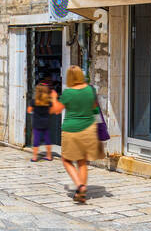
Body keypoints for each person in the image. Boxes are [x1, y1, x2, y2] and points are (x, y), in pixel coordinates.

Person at [50, 65, 102, 204]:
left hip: (71, 130)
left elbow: (56, 110)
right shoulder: (91, 90)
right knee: (82, 161)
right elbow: (94, 107)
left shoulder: (68, 93)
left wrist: (54, 98)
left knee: (66, 160)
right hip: (89, 129)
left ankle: (80, 185)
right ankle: (82, 194)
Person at [27, 80, 54, 162]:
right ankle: (49, 156)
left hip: (37, 124)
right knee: (48, 140)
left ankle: (34, 157)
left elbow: (29, 110)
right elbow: (51, 111)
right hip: (46, 123)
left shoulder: (34, 102)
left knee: (36, 140)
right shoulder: (49, 102)